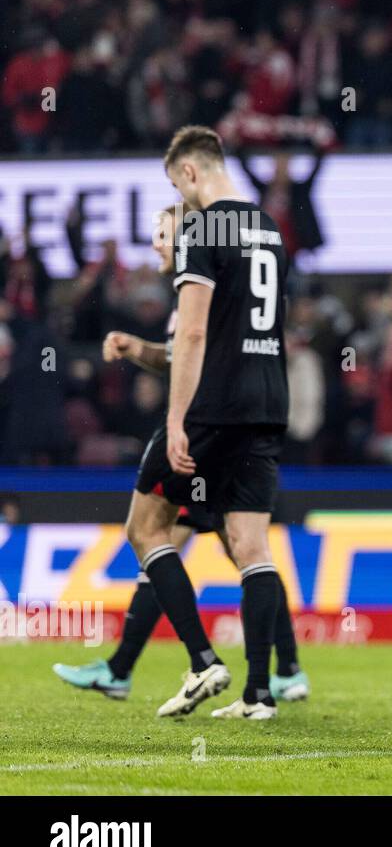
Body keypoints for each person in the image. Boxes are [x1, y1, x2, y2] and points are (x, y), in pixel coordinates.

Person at [52, 204, 308, 703]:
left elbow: (197, 353)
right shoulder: (192, 292)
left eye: (163, 233)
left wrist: (177, 423)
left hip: (209, 437)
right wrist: (136, 348)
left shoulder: (204, 282)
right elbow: (178, 358)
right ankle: (276, 672)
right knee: (234, 549)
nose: (156, 244)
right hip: (228, 430)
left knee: (163, 537)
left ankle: (194, 664)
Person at [129, 125, 292, 720]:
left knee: (146, 529)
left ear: (191, 173)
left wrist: (176, 418)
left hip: (214, 404)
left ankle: (203, 661)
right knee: (251, 546)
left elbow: (193, 330)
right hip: (269, 401)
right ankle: (261, 692)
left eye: (178, 184)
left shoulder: (202, 227)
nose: (183, 196)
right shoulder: (268, 225)